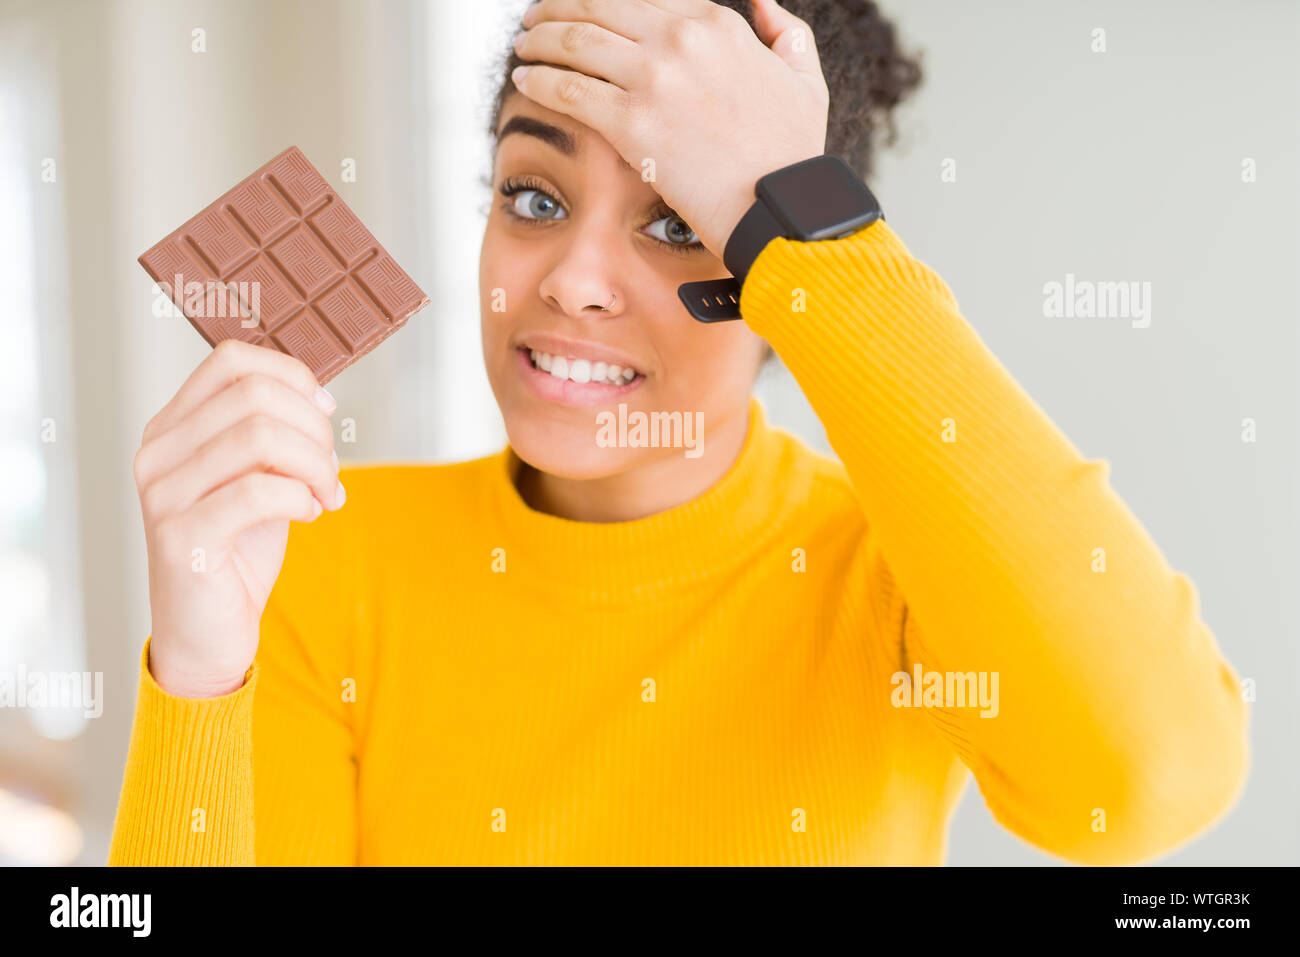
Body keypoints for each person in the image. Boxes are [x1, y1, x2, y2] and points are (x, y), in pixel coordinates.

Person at [110, 0, 1248, 866]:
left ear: (774, 267)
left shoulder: (895, 577)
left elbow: (1146, 782)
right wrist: (202, 674)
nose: (575, 281)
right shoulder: (317, 562)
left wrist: (813, 231)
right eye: (534, 197)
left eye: (678, 219)